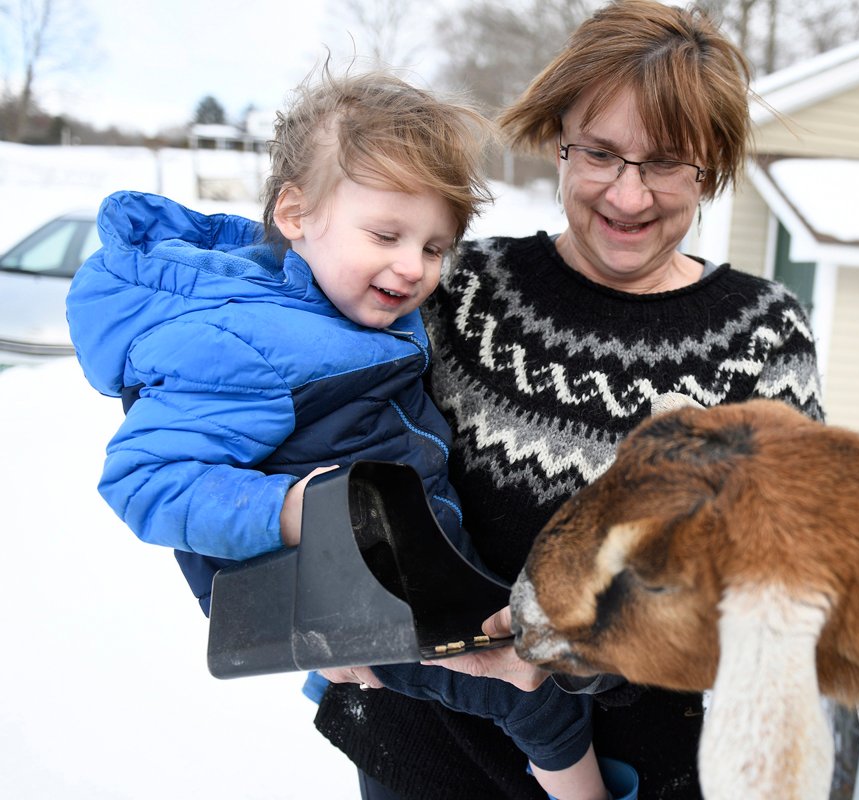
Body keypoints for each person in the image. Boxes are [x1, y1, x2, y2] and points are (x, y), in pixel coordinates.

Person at [311, 2, 826, 798]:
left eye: (666, 162)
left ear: (710, 168)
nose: (628, 195)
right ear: (559, 141)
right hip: (427, 751)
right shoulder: (461, 290)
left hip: (636, 768)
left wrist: (571, 653)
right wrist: (322, 597)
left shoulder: (762, 337)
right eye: (601, 153)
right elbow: (324, 432)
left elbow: (778, 588)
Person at [65, 65, 614, 800]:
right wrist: (298, 511)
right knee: (531, 692)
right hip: (352, 604)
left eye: (434, 246)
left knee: (551, 653)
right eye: (386, 234)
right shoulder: (246, 341)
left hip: (404, 579)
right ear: (296, 214)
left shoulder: (331, 300)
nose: (412, 267)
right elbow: (142, 480)